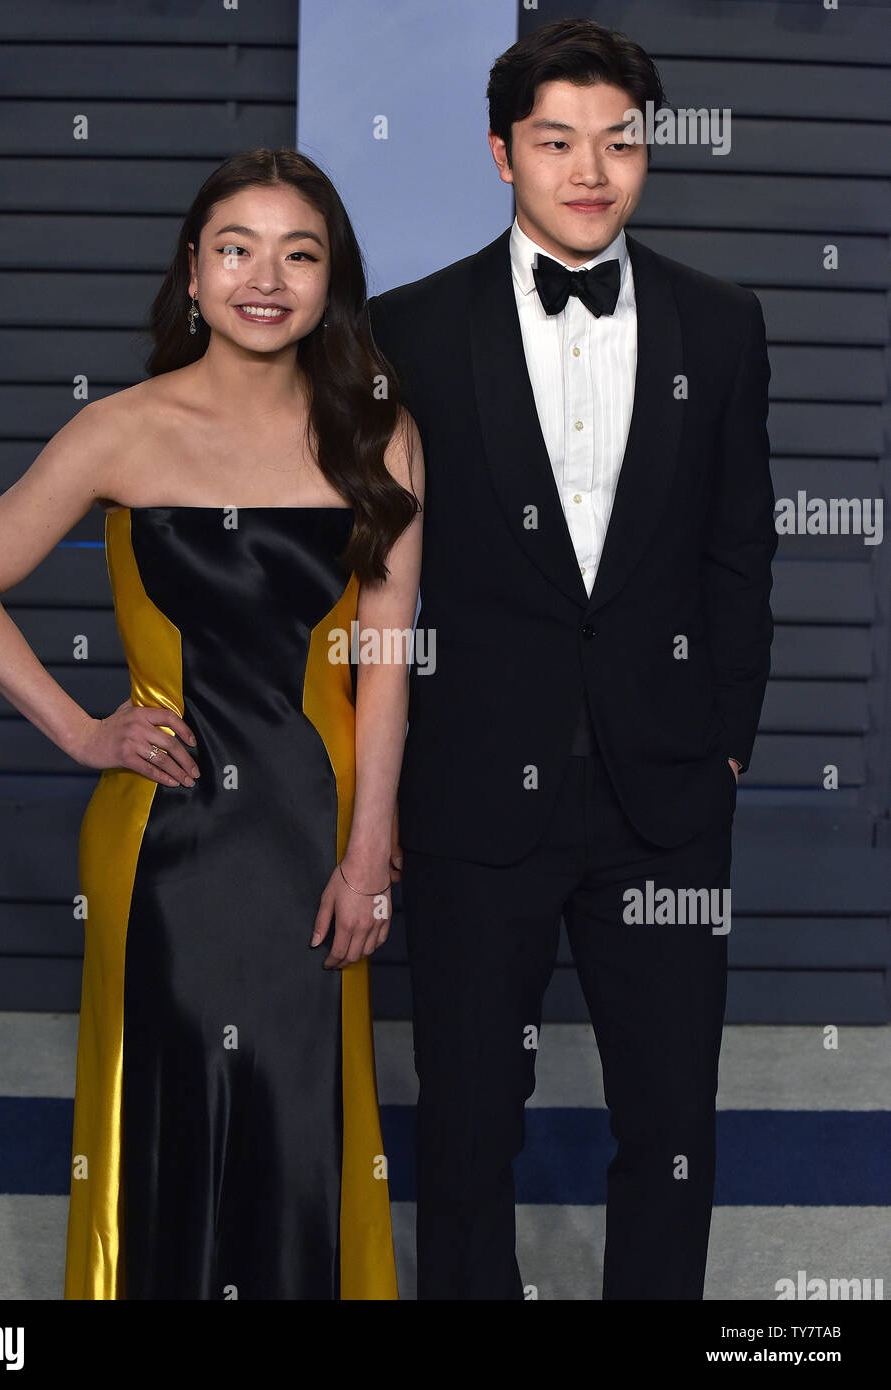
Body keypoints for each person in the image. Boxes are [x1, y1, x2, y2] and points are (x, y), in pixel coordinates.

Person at [0, 148, 422, 1300]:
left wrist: (370, 851)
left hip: (316, 832)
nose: (266, 276)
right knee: (171, 1093)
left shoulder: (378, 433)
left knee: (306, 1104)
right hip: (169, 839)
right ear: (191, 273)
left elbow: (389, 660)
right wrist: (81, 730)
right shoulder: (119, 432)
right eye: (235, 248)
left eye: (299, 253)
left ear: (329, 280)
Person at [368, 19, 776, 1299]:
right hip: (475, 791)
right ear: (502, 155)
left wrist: (723, 744)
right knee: (471, 1118)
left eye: (618, 142)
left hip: (665, 795)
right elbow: (382, 576)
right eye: (557, 142)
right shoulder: (408, 330)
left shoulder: (720, 325)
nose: (590, 169)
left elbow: (740, 553)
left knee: (668, 1127)